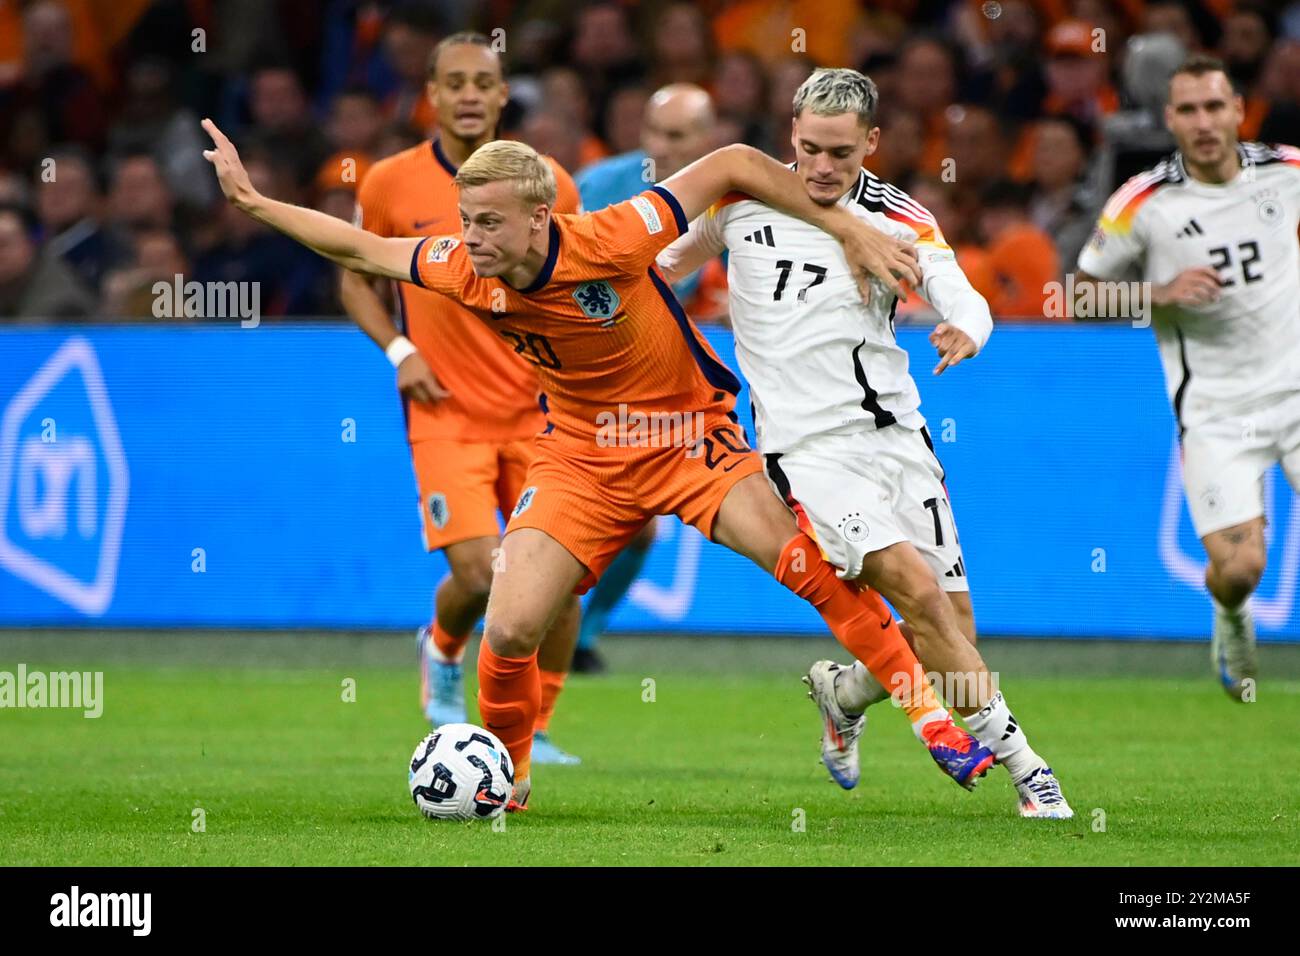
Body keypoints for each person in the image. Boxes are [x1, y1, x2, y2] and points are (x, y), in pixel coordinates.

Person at [202, 115, 1001, 812]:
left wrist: (852, 230)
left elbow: (732, 163)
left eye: (487, 223)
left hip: (692, 441)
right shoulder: (459, 266)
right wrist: (252, 202)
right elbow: (366, 248)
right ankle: (506, 772)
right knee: (511, 626)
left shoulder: (615, 235)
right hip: (582, 457)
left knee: (811, 571)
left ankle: (931, 721)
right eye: (465, 221)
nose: (469, 240)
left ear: (540, 217)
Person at [657, 68, 1072, 819]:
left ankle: (843, 691)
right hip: (808, 451)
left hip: (899, 438)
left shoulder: (896, 216)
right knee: (915, 595)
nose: (821, 167)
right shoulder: (737, 198)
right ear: (792, 134)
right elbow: (657, 270)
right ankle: (1030, 772)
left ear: (872, 143)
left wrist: (965, 329)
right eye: (810, 147)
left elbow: (964, 295)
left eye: (840, 154)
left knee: (952, 625)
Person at [338, 32, 582, 764]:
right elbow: (354, 275)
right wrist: (400, 350)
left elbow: (571, 286)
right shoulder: (388, 182)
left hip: (539, 415)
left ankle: (533, 734)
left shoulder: (551, 185)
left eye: (485, 80)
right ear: (433, 94)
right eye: (456, 82)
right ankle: (442, 648)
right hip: (446, 413)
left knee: (561, 587)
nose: (471, 94)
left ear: (505, 94)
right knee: (483, 574)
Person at [1076, 54, 1300, 701]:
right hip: (1216, 414)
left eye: (1214, 107)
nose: (1204, 123)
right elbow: (1077, 295)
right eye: (1189, 111)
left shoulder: (1285, 172)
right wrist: (1159, 292)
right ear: (1170, 119)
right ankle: (1231, 617)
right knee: (1240, 567)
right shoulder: (1142, 202)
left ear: (1238, 110)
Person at [570, 82, 723, 673]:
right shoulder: (600, 186)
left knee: (637, 531)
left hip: (662, 384)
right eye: (655, 131)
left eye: (679, 135)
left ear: (708, 140)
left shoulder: (729, 199)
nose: (662, 144)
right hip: (582, 375)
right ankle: (519, 626)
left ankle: (580, 637)